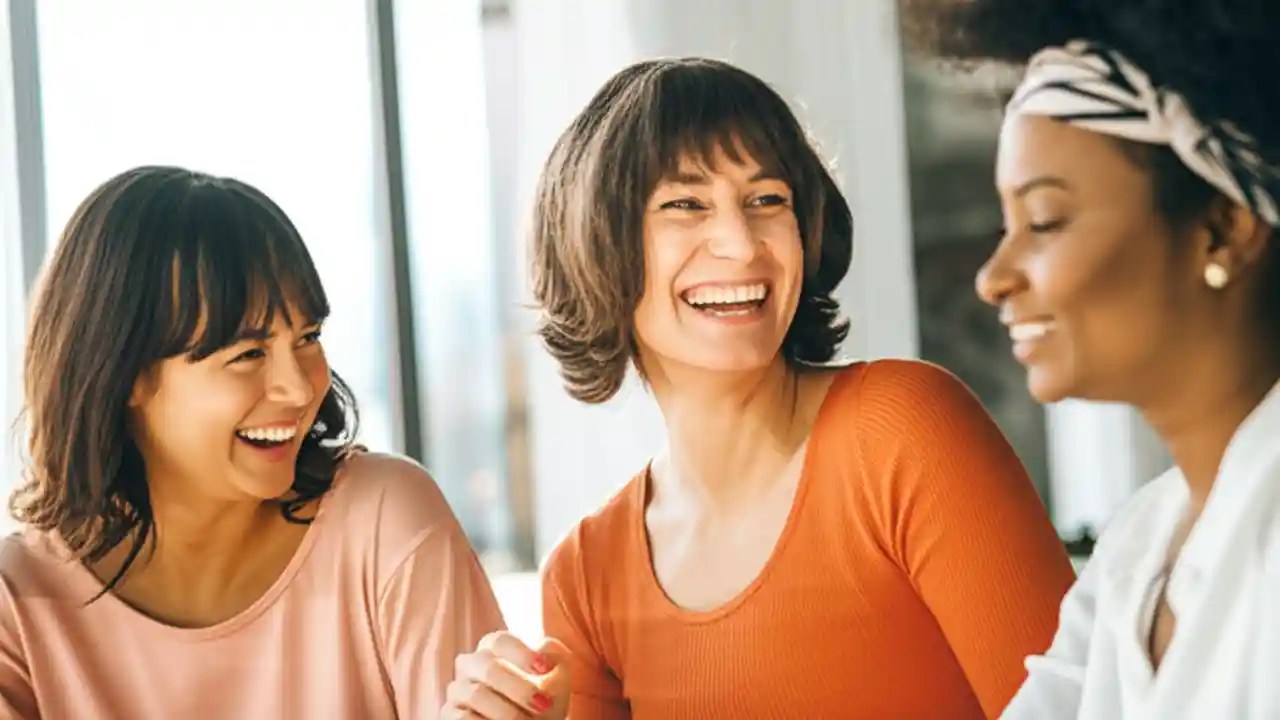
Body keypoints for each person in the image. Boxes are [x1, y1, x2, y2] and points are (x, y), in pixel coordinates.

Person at [443, 57, 1075, 719]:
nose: (742, 245)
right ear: (594, 246)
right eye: (686, 204)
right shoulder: (585, 574)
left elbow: (1086, 707)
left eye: (767, 200)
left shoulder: (903, 431)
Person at [0, 166, 504, 718]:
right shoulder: (16, 604)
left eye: (308, 338)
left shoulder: (384, 521)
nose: (298, 387)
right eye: (247, 354)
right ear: (124, 377)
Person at [901, 0, 1280, 716]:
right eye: (1005, 222)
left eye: (1044, 221)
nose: (993, 277)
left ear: (1223, 229)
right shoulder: (1143, 544)